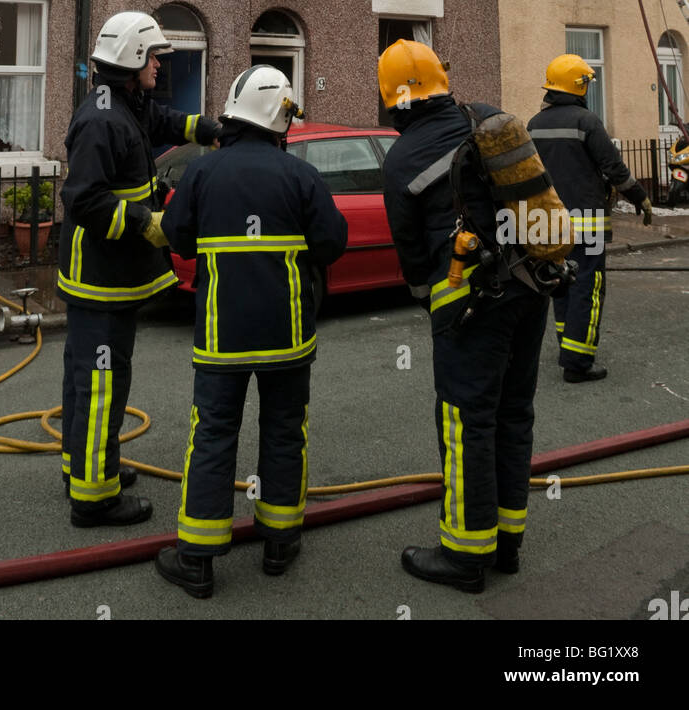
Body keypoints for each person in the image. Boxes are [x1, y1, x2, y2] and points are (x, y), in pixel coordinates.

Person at [154, 66, 347, 598]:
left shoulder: (202, 172)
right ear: (281, 116)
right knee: (286, 430)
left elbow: (177, 239)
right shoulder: (301, 176)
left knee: (213, 436)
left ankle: (196, 558)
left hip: (222, 337)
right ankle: (280, 542)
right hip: (288, 339)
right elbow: (332, 244)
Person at [380, 40, 552, 594]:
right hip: (531, 285)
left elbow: (410, 254)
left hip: (470, 302)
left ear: (394, 100)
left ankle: (463, 553)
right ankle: (507, 543)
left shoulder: (403, 157)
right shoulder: (483, 117)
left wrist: (426, 297)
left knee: (465, 420)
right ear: (442, 82)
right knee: (513, 412)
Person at [58, 10, 221, 528]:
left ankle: (82, 466)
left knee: (86, 378)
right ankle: (95, 498)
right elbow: (82, 200)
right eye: (153, 57)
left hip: (109, 275)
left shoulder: (122, 103)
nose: (159, 66)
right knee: (103, 382)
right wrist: (144, 223)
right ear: (132, 60)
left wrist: (205, 127)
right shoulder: (102, 120)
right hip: (101, 278)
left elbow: (160, 121)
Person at [528, 54, 652, 383]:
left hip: (547, 223)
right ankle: (578, 362)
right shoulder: (587, 122)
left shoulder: (534, 124)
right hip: (585, 223)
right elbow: (614, 168)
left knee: (559, 282)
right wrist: (640, 197)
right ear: (579, 86)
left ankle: (567, 347)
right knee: (587, 286)